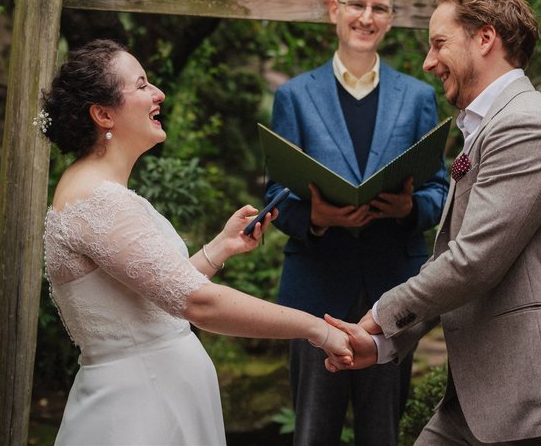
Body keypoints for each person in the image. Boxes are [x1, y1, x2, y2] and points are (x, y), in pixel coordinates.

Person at [326, 0, 541, 445]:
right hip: (484, 395)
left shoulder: (528, 125)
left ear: (485, 38)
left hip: (539, 396)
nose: (428, 62)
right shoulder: (488, 128)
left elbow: (473, 261)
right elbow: (451, 258)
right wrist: (387, 343)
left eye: (439, 43)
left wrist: (381, 315)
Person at [37, 39, 352, 446]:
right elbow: (198, 304)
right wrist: (317, 330)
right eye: (142, 85)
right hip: (141, 412)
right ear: (103, 114)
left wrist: (220, 247)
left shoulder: (96, 191)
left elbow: (152, 297)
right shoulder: (98, 200)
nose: (158, 93)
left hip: (153, 394)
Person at [264, 0, 448, 445]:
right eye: (357, 5)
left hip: (392, 293)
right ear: (335, 11)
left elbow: (440, 193)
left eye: (379, 8)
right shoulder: (294, 96)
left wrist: (407, 209)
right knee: (313, 434)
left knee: (382, 435)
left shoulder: (419, 97)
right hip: (315, 293)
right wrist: (316, 220)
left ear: (390, 19)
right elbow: (275, 197)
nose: (366, 17)